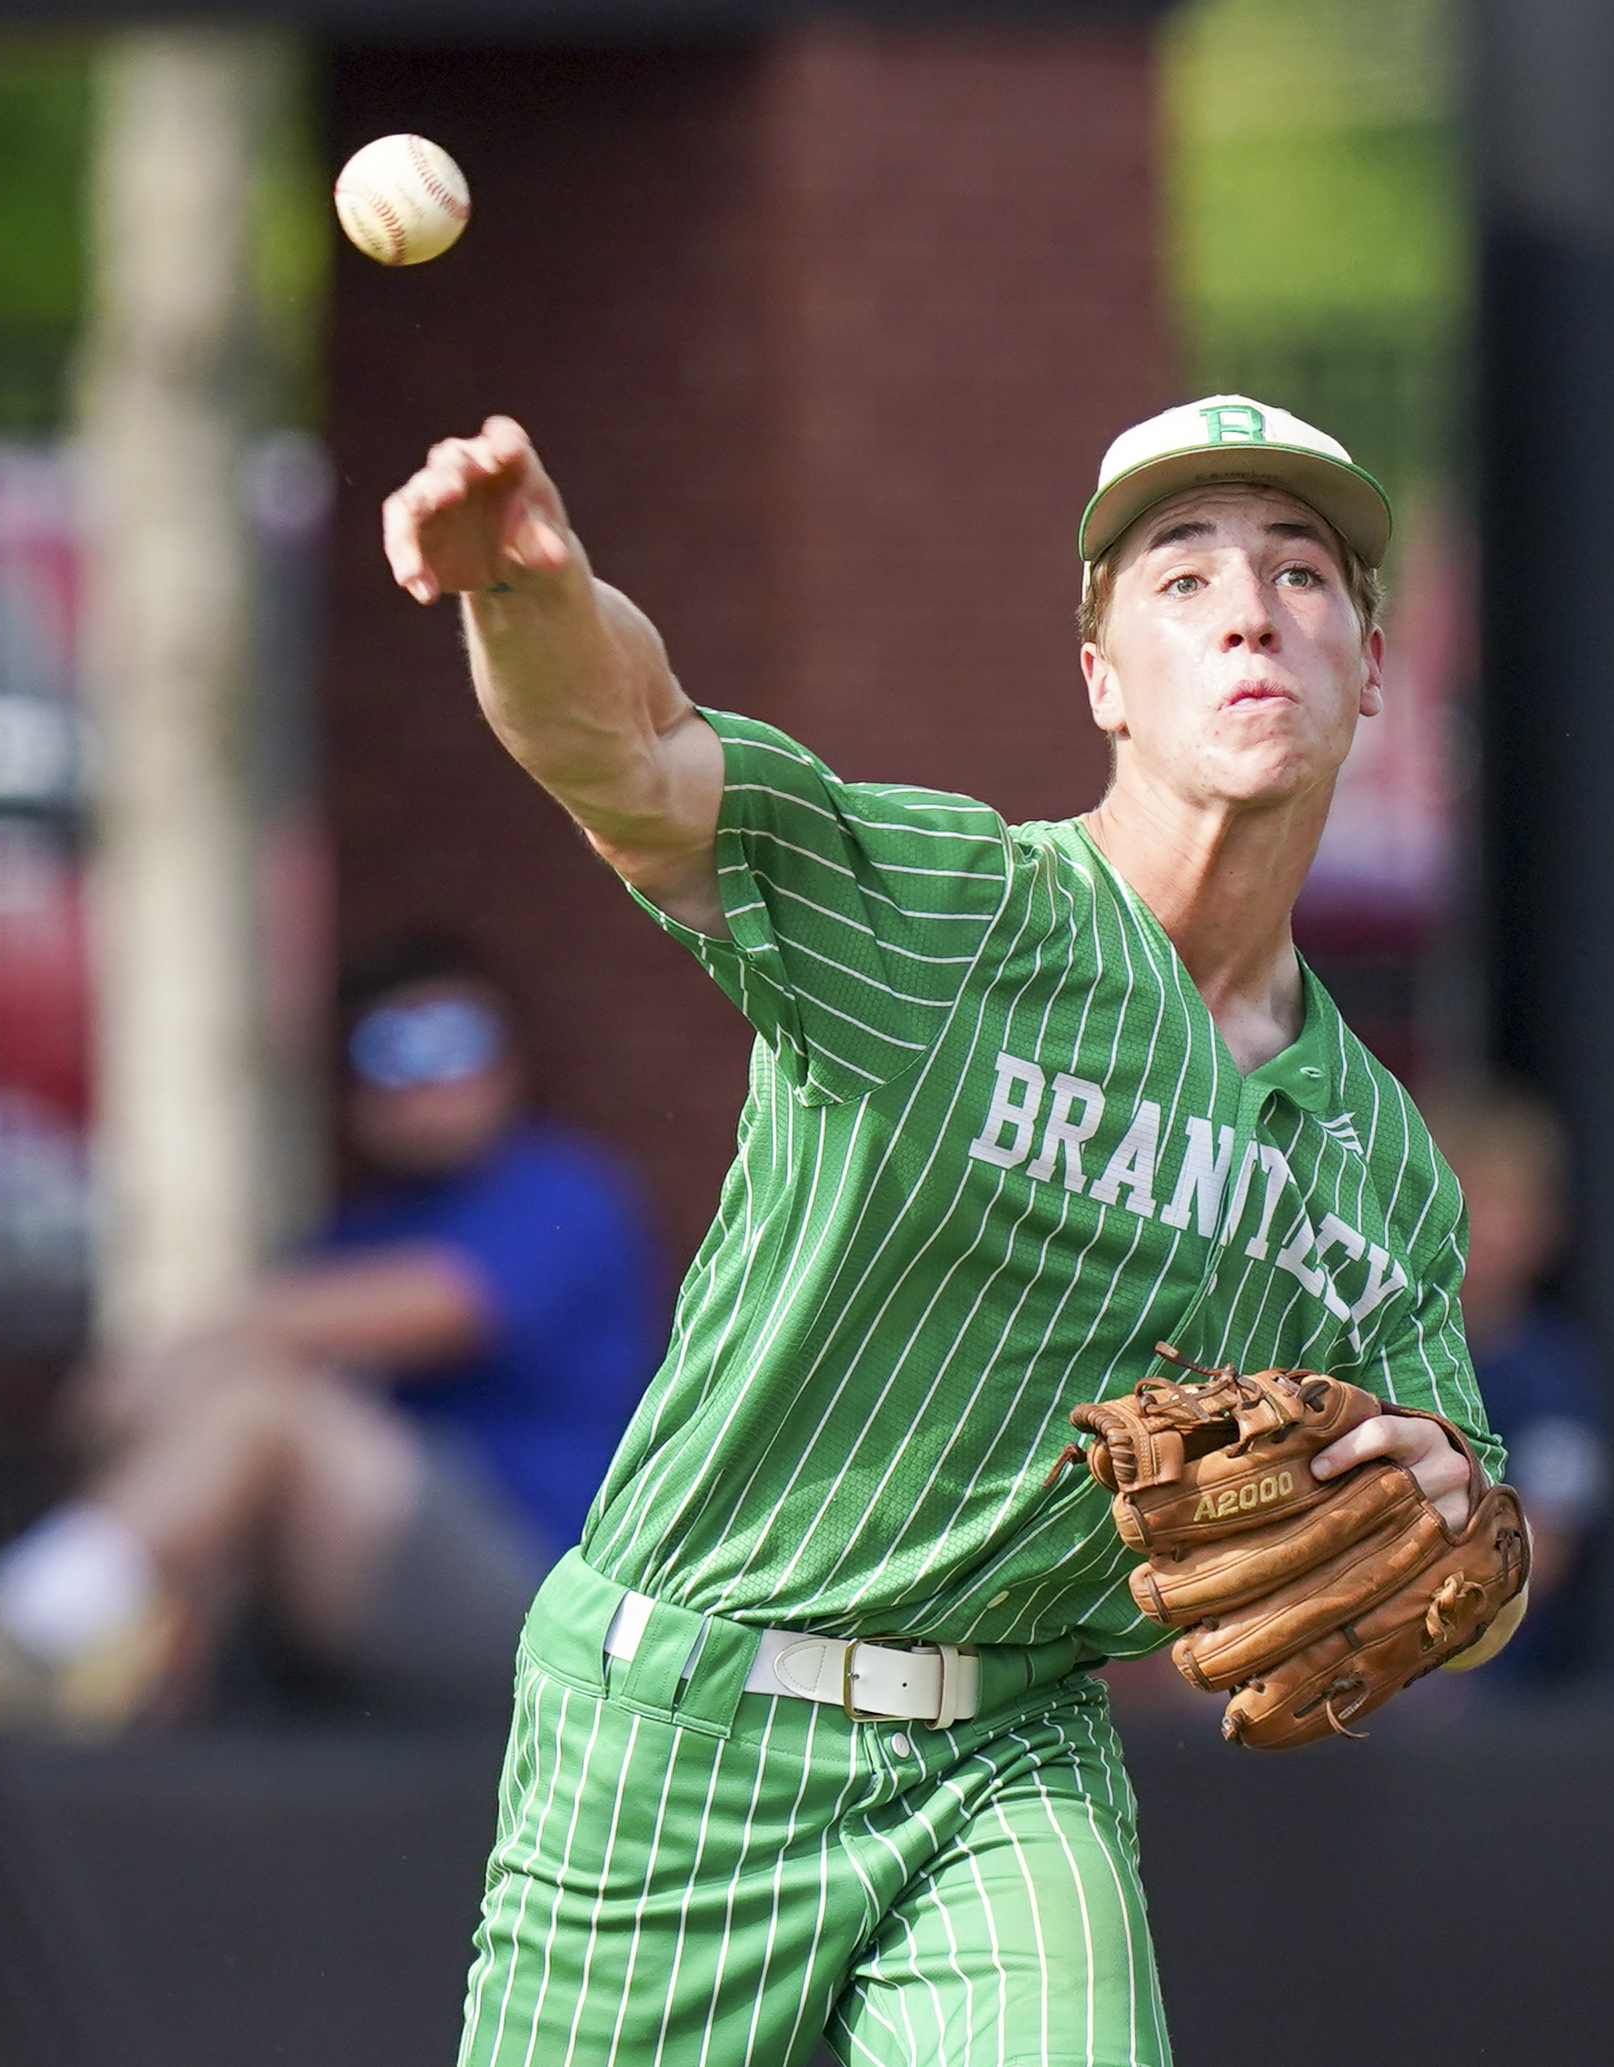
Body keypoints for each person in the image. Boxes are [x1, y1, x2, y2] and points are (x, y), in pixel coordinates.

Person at [381, 394, 1516, 2065]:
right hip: (683, 1735)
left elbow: (1469, 1544)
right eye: (1182, 577)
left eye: (1301, 572)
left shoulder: (1378, 1161)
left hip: (1009, 1752)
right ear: (1103, 682)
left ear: (1366, 662)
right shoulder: (951, 918)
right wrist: (529, 593)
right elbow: (632, 755)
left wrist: (1451, 1508)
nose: (1250, 606)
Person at [0, 939, 664, 1732]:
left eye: (454, 1041)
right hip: (340, 1595)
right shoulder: (347, 1234)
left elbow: (438, 1306)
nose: (427, 1076)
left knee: (260, 1404)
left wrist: (182, 1350)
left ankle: (25, 1623)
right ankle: (121, 1688)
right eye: (391, 1050)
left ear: (510, 1058)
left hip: (538, 1605)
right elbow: (143, 1429)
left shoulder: (561, 1191)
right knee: (236, 1418)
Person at [1427, 1078, 1609, 1681]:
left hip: (1489, 1698)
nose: (1480, 1227)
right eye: (1462, 1198)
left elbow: (1547, 1542)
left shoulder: (1554, 1374)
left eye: (1504, 1202)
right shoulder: (1354, 1350)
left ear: (1547, 1225)